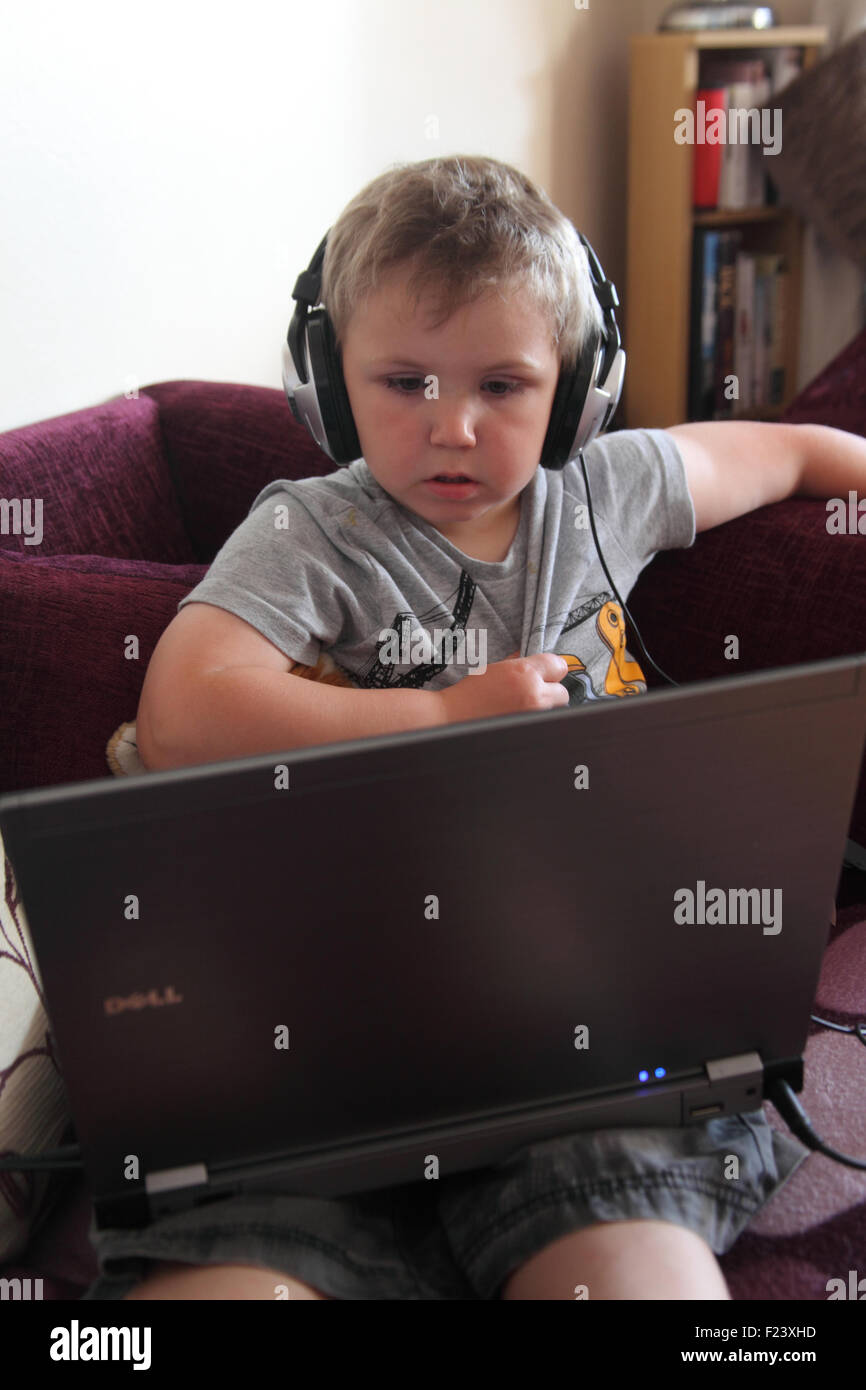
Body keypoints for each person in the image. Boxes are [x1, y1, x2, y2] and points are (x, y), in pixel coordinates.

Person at [83, 154, 866, 1300]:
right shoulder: (309, 532)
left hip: (577, 1021)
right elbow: (185, 709)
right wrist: (442, 714)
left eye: (502, 384)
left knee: (636, 1270)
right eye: (403, 381)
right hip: (317, 1026)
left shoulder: (607, 492)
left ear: (578, 386)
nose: (452, 426)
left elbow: (793, 451)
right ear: (328, 381)